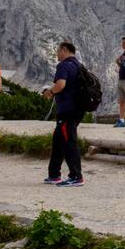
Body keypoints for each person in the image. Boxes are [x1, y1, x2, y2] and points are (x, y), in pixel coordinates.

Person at [40, 41, 85, 187]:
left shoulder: (63, 65)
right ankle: (54, 174)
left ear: (64, 50)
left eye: (58, 51)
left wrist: (50, 92)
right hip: (78, 108)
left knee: (69, 141)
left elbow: (60, 85)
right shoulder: (79, 66)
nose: (57, 55)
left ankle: (76, 176)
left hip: (67, 110)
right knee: (58, 140)